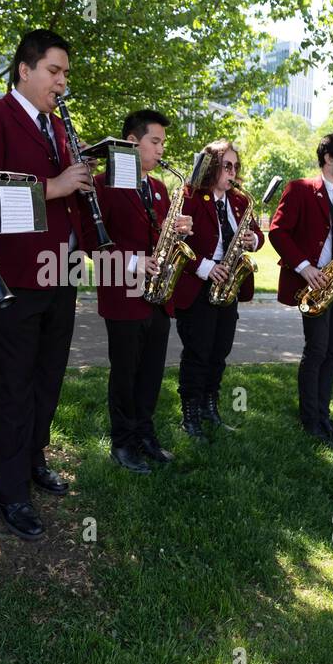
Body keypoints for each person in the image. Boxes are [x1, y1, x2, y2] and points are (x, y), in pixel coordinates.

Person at [0, 29, 93, 540]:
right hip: (13, 271)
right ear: (24, 69)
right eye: (54, 71)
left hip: (62, 269)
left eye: (65, 74)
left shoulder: (58, 128)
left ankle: (34, 457)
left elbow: (67, 201)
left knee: (49, 373)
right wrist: (56, 187)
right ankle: (9, 488)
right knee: (14, 381)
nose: (61, 82)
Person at [92, 109, 191, 472]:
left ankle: (145, 434)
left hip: (158, 297)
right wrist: (136, 262)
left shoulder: (160, 188)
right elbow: (93, 244)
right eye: (155, 141)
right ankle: (123, 442)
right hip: (123, 295)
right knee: (125, 374)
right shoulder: (103, 184)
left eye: (163, 143)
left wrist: (176, 228)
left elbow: (156, 233)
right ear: (132, 142)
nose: (161, 150)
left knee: (150, 372)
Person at [269, 132, 333, 445]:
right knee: (315, 351)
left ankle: (324, 417)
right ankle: (310, 418)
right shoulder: (299, 189)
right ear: (329, 158)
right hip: (312, 283)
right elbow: (278, 232)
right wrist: (305, 268)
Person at [170, 140, 263, 438]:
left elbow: (257, 234)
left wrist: (254, 241)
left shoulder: (239, 201)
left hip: (228, 286)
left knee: (219, 351)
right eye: (227, 165)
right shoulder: (190, 196)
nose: (232, 172)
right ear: (211, 166)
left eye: (235, 166)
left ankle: (211, 405)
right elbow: (177, 242)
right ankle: (191, 413)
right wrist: (206, 267)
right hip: (197, 285)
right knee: (198, 352)